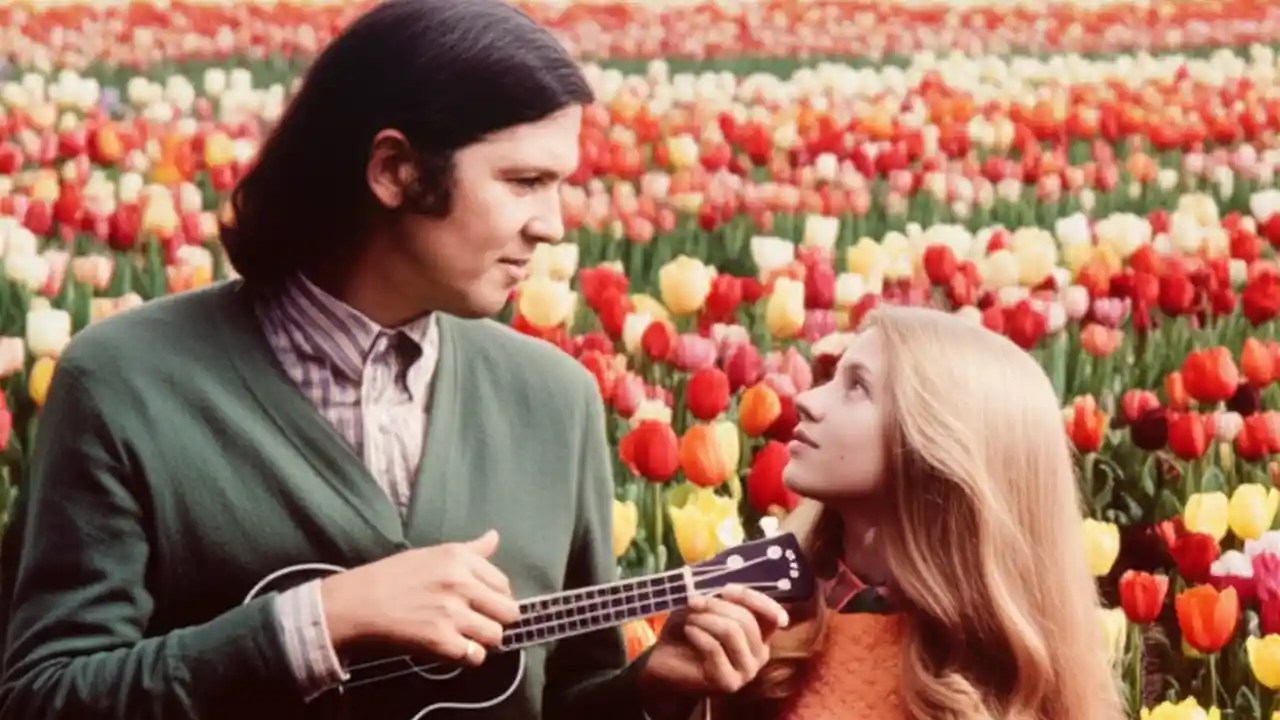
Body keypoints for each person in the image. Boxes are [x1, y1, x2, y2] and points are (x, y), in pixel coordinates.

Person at [0, 1, 788, 718]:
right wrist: (320, 622)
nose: (553, 225)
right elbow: (45, 695)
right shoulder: (125, 382)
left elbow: (564, 697)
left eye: (560, 185)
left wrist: (651, 689)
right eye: (524, 181)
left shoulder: (555, 398)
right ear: (394, 171)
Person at [696, 305, 1126, 720]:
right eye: (832, 377)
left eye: (857, 387)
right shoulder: (763, 623)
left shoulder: (998, 687)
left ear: (940, 445)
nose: (807, 400)